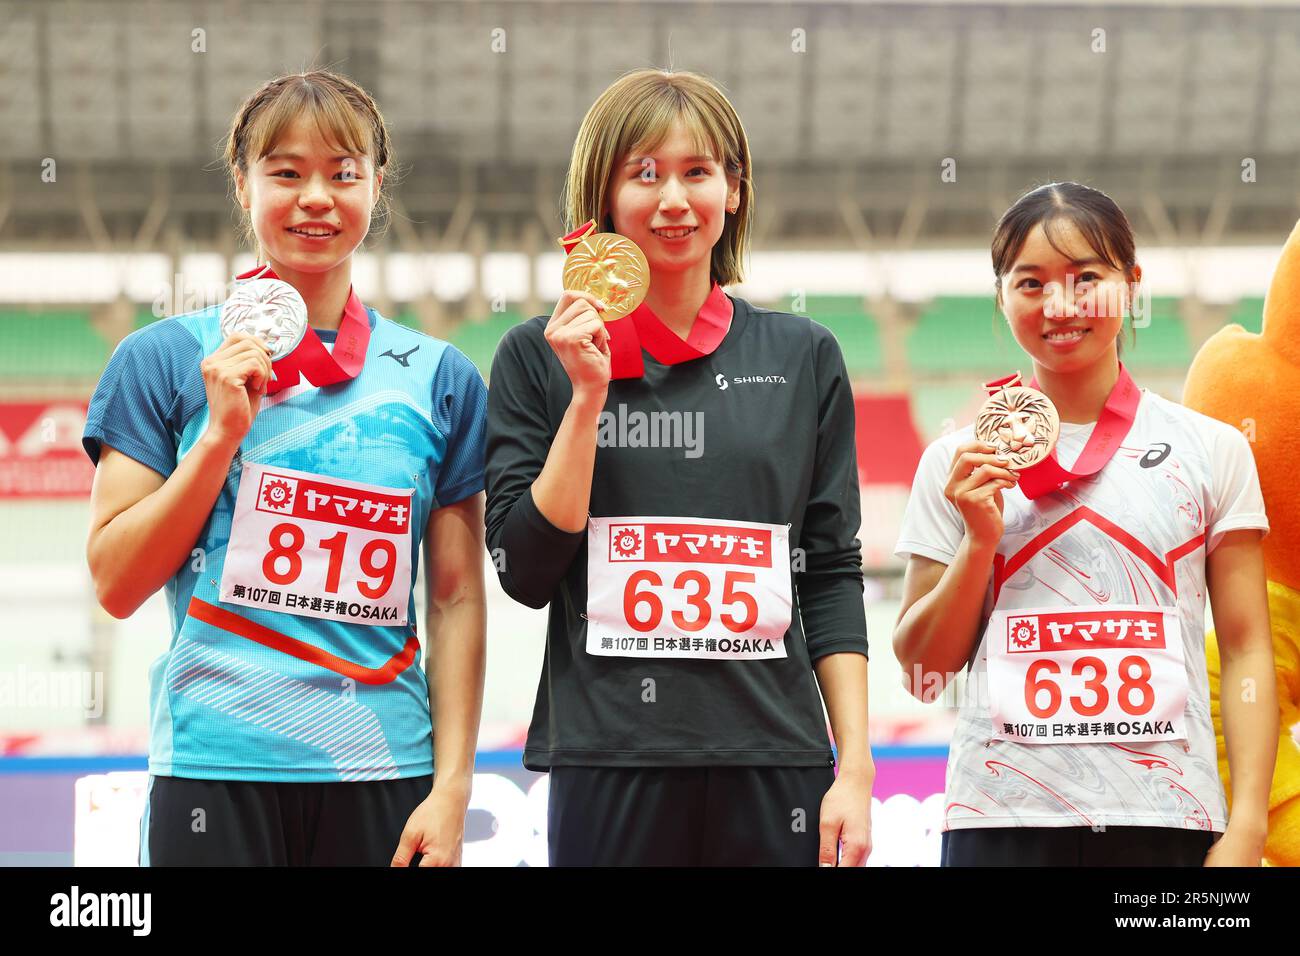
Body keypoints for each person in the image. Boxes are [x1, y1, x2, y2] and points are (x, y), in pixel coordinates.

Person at [82, 70, 488, 866]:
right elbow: (116, 582)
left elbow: (458, 596)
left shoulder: (439, 376)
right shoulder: (161, 360)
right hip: (211, 772)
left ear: (376, 185)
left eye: (343, 173)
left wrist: (453, 789)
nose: (316, 197)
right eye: (286, 172)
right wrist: (218, 440)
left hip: (386, 773)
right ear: (242, 183)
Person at [485, 68, 873, 867]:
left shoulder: (804, 357)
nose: (673, 200)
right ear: (604, 196)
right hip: (606, 762)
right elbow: (524, 571)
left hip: (779, 762)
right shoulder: (537, 357)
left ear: (733, 190)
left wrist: (856, 767)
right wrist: (587, 400)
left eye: (698, 172)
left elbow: (830, 571)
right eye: (644, 174)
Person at [892, 181, 1278, 866]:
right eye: (1031, 282)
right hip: (998, 821)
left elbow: (1248, 649)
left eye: (1086, 279)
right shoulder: (957, 461)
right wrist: (979, 541)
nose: (1060, 306)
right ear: (1001, 296)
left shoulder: (1212, 450)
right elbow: (923, 670)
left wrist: (1246, 826)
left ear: (1132, 284)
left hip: (1168, 819)